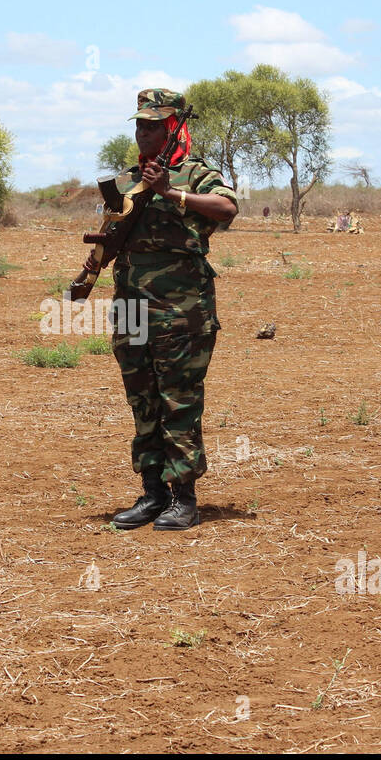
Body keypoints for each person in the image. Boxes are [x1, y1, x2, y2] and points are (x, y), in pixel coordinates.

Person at [98, 89, 238, 532]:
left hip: (181, 309)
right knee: (143, 400)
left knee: (178, 401)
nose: (143, 133)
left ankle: (184, 498)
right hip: (131, 307)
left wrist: (172, 193)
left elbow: (227, 208)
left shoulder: (196, 173)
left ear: (174, 126)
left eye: (153, 125)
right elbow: (110, 234)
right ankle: (153, 492)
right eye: (139, 125)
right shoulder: (126, 180)